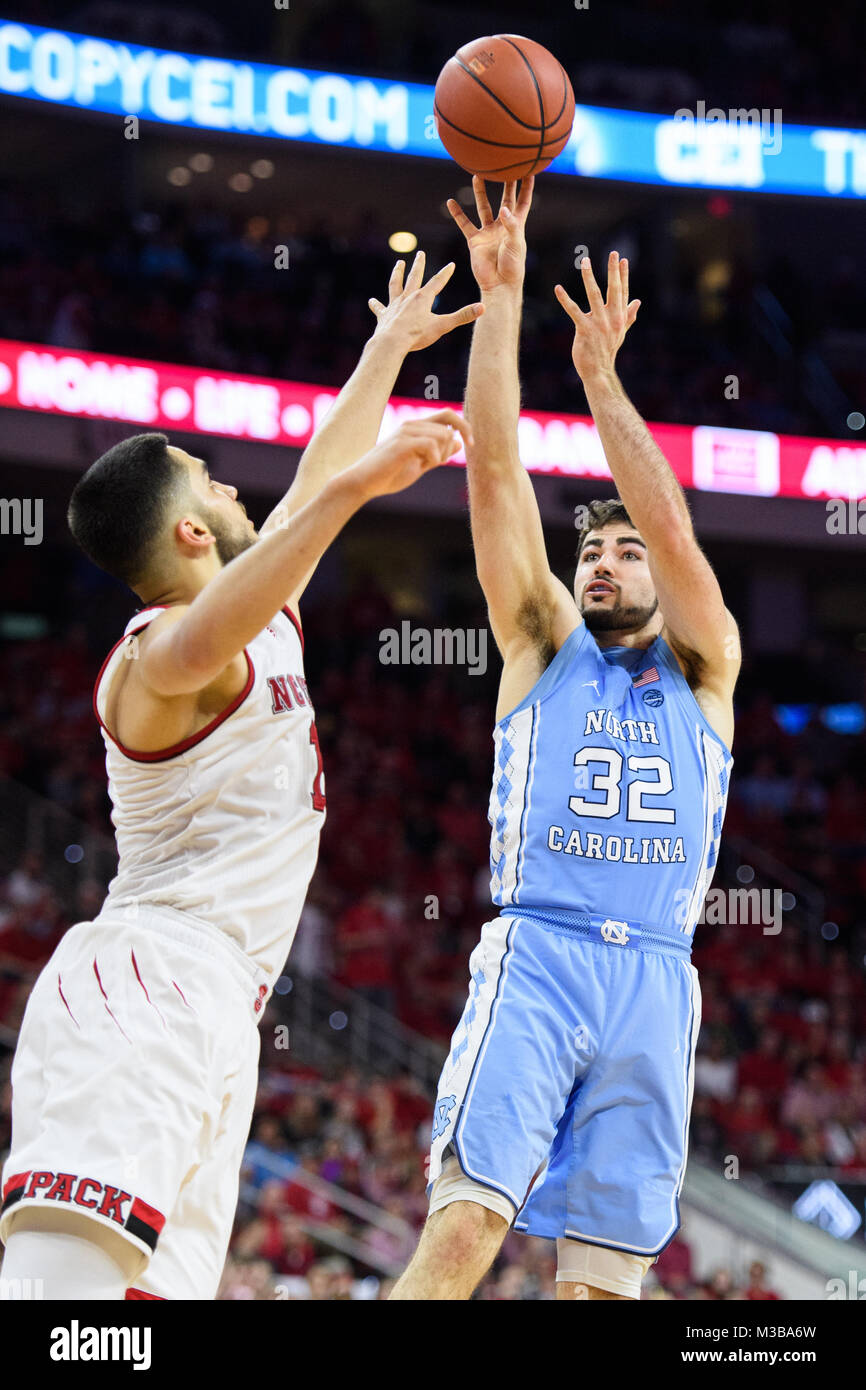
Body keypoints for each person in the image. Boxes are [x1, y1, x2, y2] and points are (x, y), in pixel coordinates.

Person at [0, 253, 480, 1300]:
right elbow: (219, 619)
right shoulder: (152, 657)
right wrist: (357, 488)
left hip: (222, 1009)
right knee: (57, 1310)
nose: (232, 486)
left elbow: (313, 477)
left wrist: (385, 349)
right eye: (210, 481)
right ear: (187, 531)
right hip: (145, 979)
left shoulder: (265, 615)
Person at [391, 178, 739, 1302]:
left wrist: (600, 380)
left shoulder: (704, 666)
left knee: (597, 1291)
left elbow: (676, 527)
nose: (602, 559)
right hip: (538, 958)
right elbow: (495, 479)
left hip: (654, 982)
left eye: (623, 551)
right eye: (591, 549)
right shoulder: (542, 643)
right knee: (460, 1234)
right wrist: (501, 303)